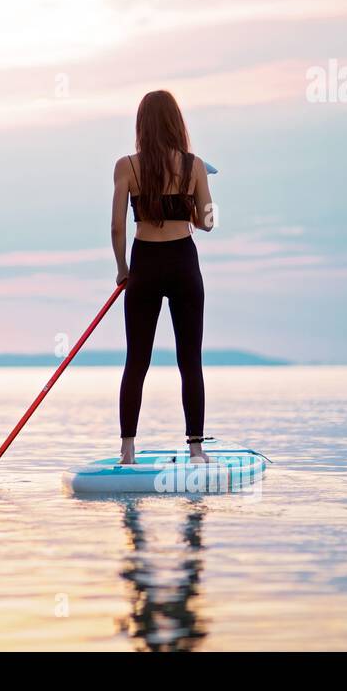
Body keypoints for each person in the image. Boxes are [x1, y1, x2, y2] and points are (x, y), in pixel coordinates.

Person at [110, 90, 214, 465]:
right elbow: (207, 223)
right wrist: (199, 188)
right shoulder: (195, 165)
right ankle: (197, 450)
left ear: (142, 125)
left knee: (136, 360)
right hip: (184, 263)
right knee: (191, 360)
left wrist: (123, 269)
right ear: (176, 123)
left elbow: (116, 227)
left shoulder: (126, 166)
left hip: (144, 265)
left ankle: (127, 451)